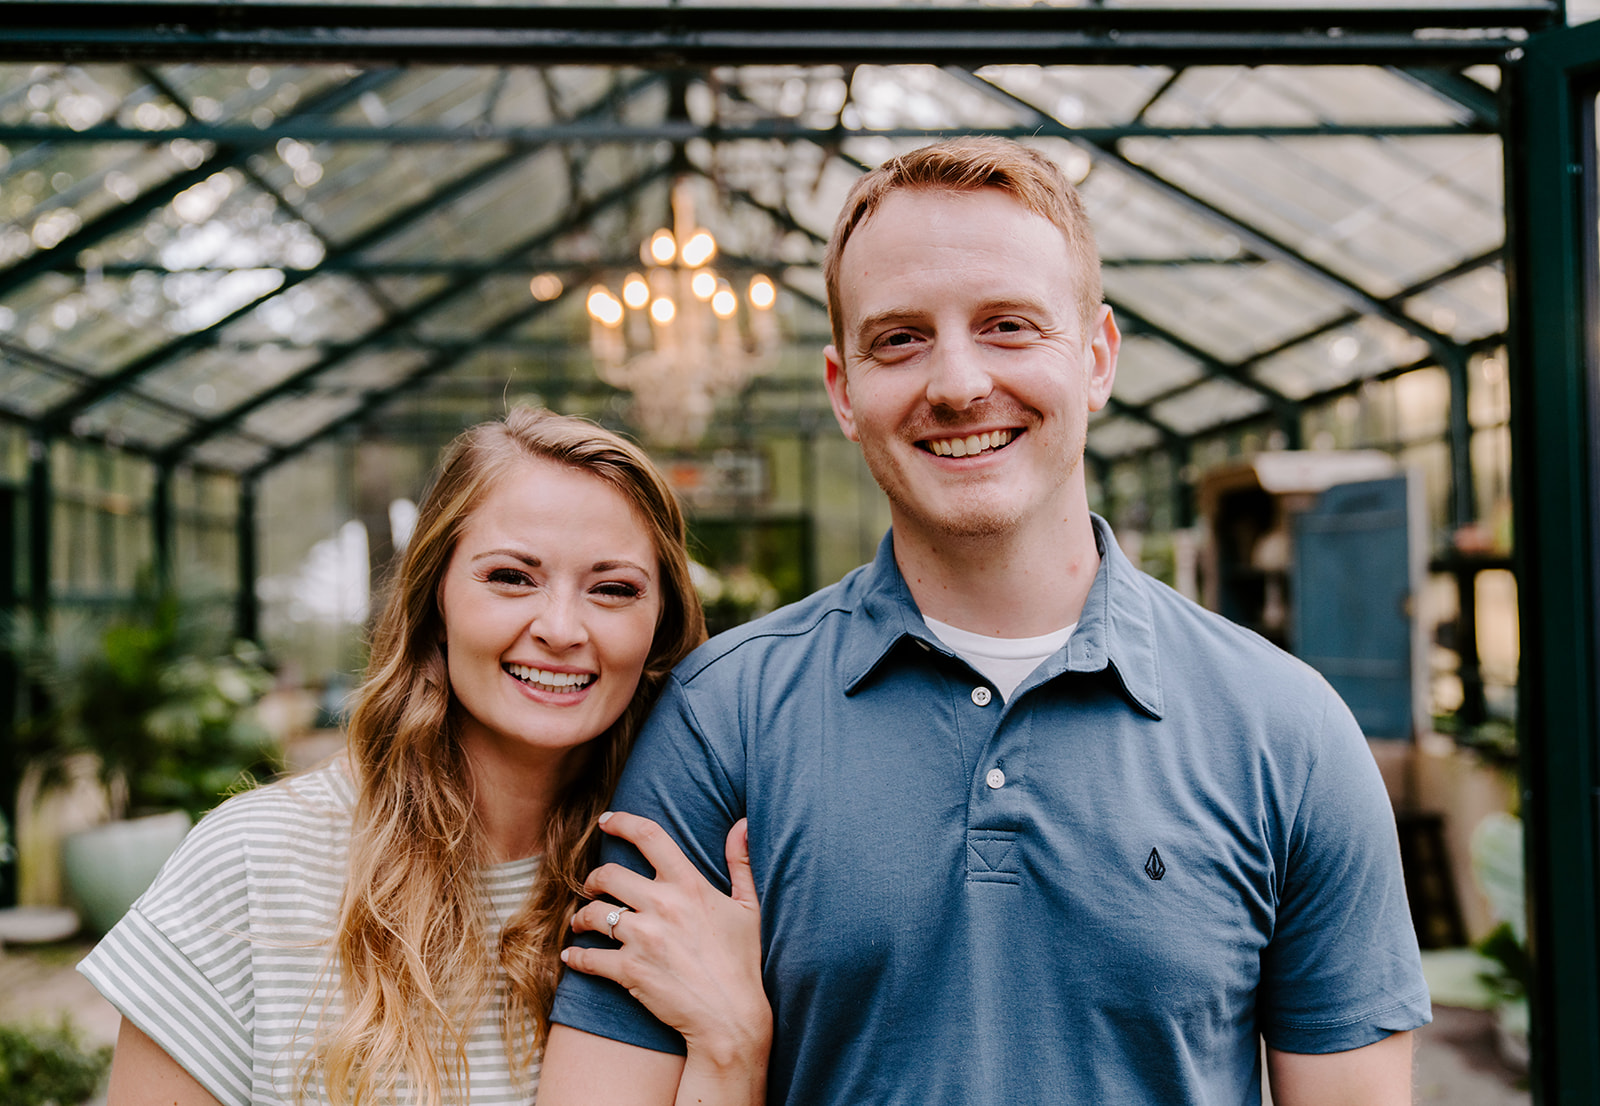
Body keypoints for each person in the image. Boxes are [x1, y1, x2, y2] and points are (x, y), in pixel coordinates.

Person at [541, 137, 1431, 1106]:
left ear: (1096, 358)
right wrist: (730, 1046)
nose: (958, 383)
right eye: (899, 339)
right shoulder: (722, 718)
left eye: (1008, 326)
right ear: (843, 392)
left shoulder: (1286, 730)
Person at [78, 408, 770, 1106]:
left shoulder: (686, 885)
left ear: (660, 628)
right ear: (435, 599)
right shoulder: (251, 867)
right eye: (512, 577)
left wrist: (735, 1046)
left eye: (613, 588)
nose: (561, 629)